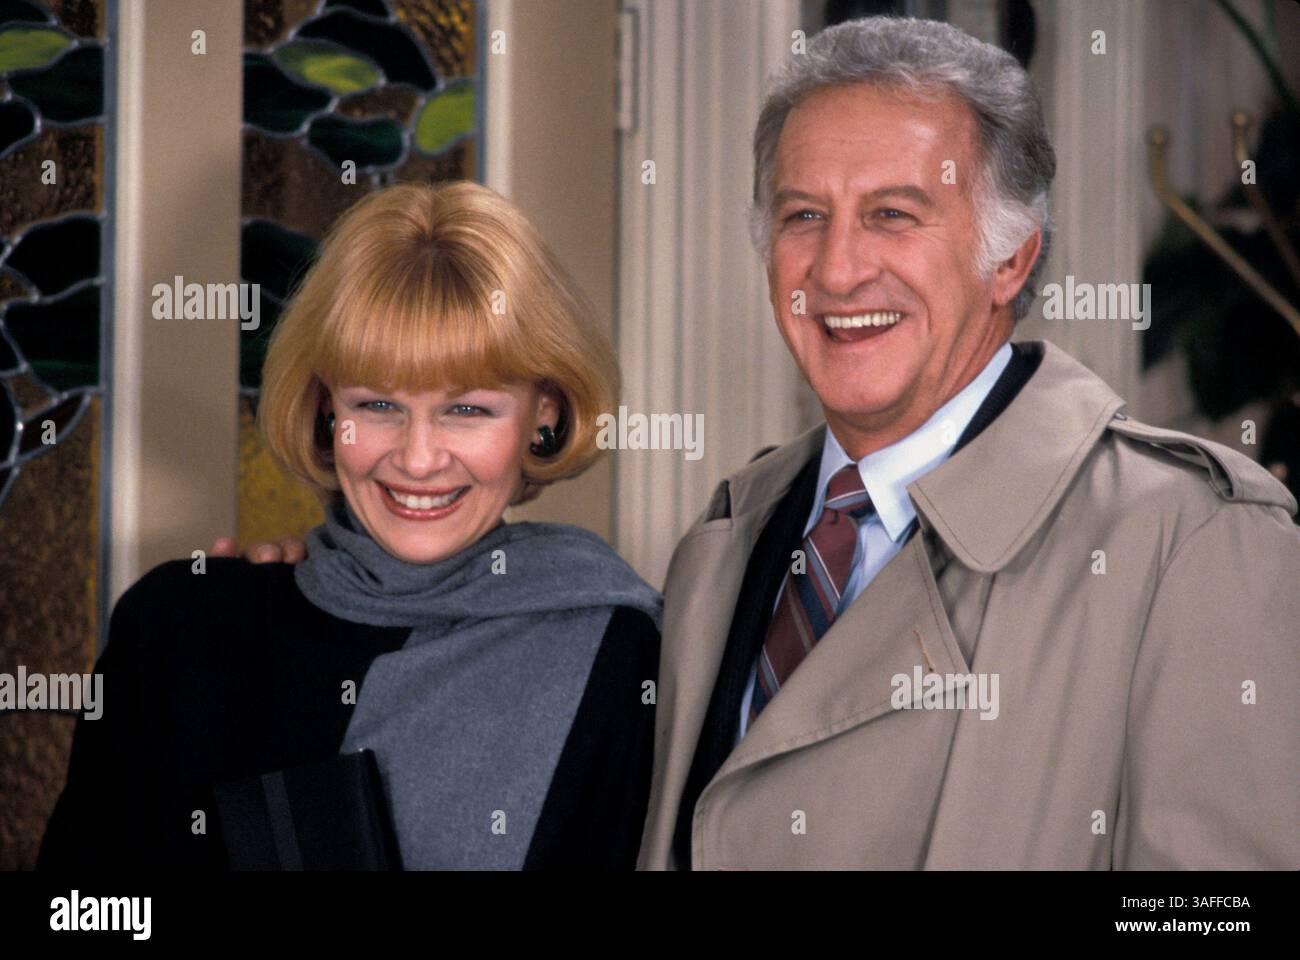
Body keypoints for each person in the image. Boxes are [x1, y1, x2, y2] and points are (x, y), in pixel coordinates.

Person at [224, 17, 1300, 870]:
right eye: (801, 216)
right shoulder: (725, 542)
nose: (836, 272)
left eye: (892, 215)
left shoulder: (1189, 538)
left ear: (1009, 258)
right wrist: (310, 605)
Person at [38, 181, 662, 870]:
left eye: (468, 410)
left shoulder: (619, 649)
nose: (418, 458)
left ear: (544, 413)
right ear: (326, 406)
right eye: (378, 404)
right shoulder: (178, 626)